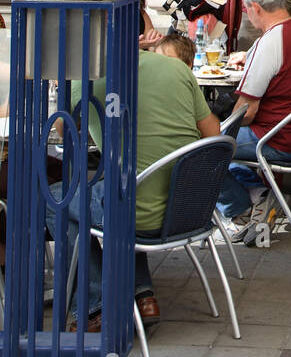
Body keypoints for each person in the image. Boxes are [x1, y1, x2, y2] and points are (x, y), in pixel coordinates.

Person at [51, 48, 220, 330]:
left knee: (57, 199)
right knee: (124, 186)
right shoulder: (177, 69)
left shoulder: (86, 80)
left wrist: (66, 87)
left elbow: (61, 131)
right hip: (190, 209)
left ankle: (95, 307)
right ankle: (143, 294)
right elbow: (213, 134)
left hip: (139, 214)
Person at [216, 0, 291, 242]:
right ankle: (261, 195)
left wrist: (215, 129)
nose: (246, 14)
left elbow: (247, 112)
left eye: (245, 8)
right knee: (218, 142)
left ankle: (239, 212)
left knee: (197, 148)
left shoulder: (271, 41)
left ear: (256, 7)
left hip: (275, 139)